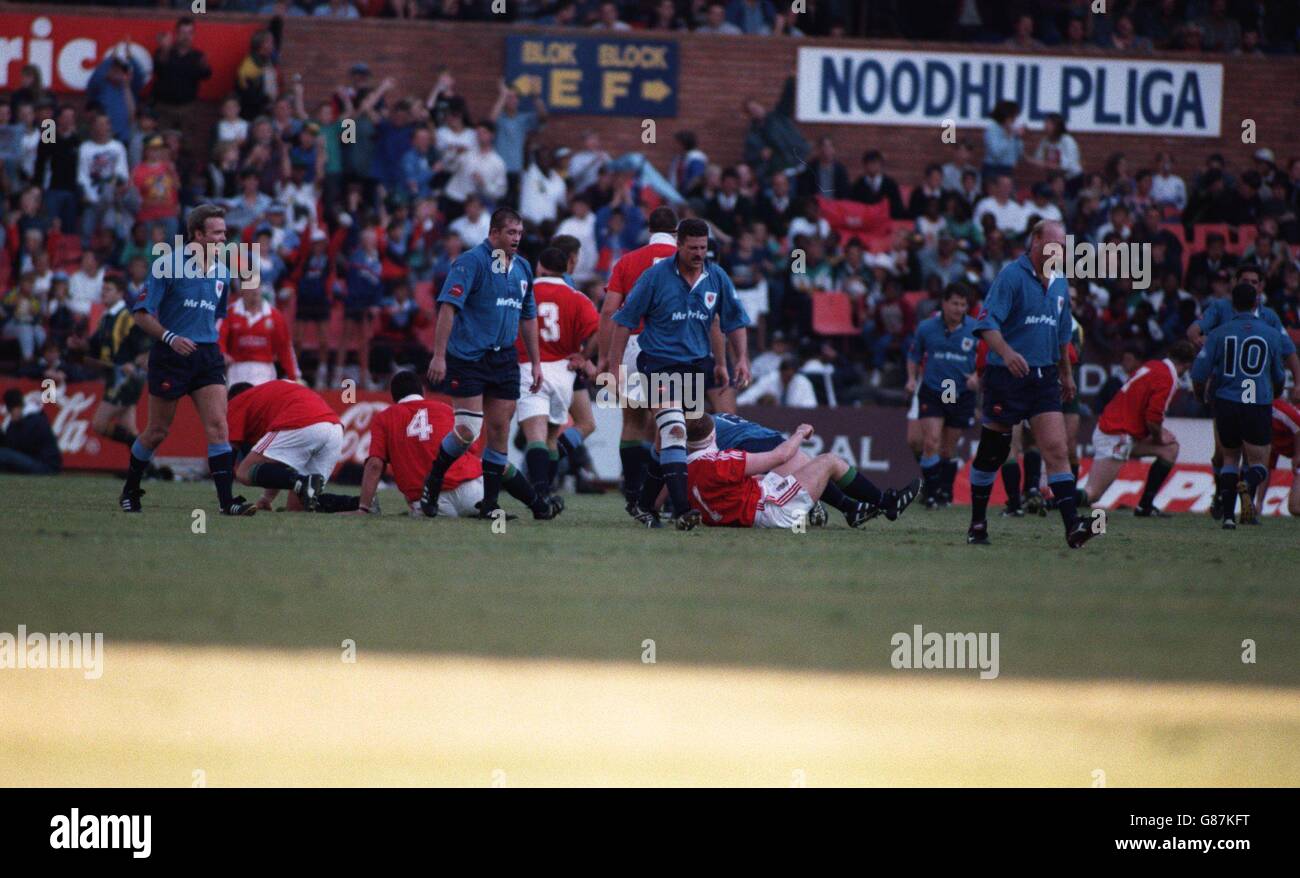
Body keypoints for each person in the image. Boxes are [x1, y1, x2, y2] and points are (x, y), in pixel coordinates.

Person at [606, 218, 752, 530]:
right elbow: (623, 320)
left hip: (695, 366)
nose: (699, 253)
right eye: (693, 248)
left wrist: (738, 360)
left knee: (670, 441)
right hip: (658, 362)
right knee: (674, 428)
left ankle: (645, 504)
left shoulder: (717, 278)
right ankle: (683, 509)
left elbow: (732, 321)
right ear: (679, 245)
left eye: (704, 247)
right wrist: (615, 366)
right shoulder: (655, 277)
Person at [421, 207, 562, 521]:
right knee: (469, 429)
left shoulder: (523, 268)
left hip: (504, 359)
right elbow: (448, 308)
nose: (516, 239)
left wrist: (536, 363)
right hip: (469, 357)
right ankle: (433, 479)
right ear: (494, 233)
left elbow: (528, 318)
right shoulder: (471, 262)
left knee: (499, 432)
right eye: (511, 233)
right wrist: (439, 355)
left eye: (519, 234)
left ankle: (490, 504)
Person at [966, 220, 1097, 549]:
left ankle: (1072, 527)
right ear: (1035, 241)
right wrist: (1007, 352)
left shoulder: (1061, 284)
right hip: (1005, 376)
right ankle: (978, 523)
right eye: (1053, 245)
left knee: (1056, 448)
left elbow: (1062, 335)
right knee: (993, 452)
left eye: (1062, 248)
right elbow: (986, 324)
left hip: (1044, 377)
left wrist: (1066, 374)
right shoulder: (1011, 276)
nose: (1058, 252)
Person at [119, 204, 256, 516]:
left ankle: (227, 503)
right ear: (198, 234)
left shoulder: (223, 270)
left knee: (219, 427)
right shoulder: (167, 264)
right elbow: (140, 314)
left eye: (225, 232)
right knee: (157, 430)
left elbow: (217, 315)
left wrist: (214, 343)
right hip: (170, 354)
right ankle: (130, 490)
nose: (224, 239)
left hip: (207, 356)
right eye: (217, 233)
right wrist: (170, 337)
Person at [683, 414, 919, 529]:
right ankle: (887, 503)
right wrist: (800, 433)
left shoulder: (688, 467)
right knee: (829, 461)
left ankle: (852, 509)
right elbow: (780, 455)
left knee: (802, 462)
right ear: (713, 435)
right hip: (769, 511)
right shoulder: (724, 460)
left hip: (744, 507)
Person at [595, 206, 678, 512]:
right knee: (670, 422)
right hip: (674, 345)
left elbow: (608, 311)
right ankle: (665, 498)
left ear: (648, 229)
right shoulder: (687, 260)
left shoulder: (628, 260)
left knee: (632, 421)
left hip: (631, 343)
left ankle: (632, 493)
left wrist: (605, 357)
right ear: (676, 233)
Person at [1191, 283, 1291, 529]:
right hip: (1257, 402)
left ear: (1232, 304)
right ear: (1256, 303)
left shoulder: (1219, 333)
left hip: (1227, 401)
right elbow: (1279, 376)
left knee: (1229, 459)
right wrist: (1273, 395)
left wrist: (1200, 395)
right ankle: (1247, 482)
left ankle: (1227, 517)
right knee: (1259, 462)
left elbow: (1199, 373)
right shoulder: (1271, 334)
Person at [359, 370, 524, 518]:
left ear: (393, 397)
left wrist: (364, 508)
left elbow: (374, 464)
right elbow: (470, 447)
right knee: (496, 464)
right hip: (471, 492)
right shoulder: (444, 409)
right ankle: (537, 502)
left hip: (428, 503)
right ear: (422, 390)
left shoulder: (384, 418)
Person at [516, 247, 599, 498]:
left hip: (530, 366)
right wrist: (584, 357)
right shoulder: (577, 297)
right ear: (565, 269)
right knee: (552, 437)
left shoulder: (524, 291)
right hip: (564, 371)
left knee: (535, 437)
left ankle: (540, 493)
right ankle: (546, 492)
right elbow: (598, 330)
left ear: (539, 266)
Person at [1084, 341, 1197, 515]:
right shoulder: (1167, 377)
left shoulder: (1154, 365)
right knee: (1093, 495)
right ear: (1188, 364)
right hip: (1117, 435)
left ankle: (1145, 506)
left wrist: (1158, 434)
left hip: (1118, 430)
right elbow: (1152, 419)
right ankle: (1052, 500)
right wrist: (1159, 436)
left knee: (1169, 449)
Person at [906, 283, 979, 508]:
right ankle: (931, 493)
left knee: (949, 447)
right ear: (945, 303)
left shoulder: (976, 329)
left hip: (960, 392)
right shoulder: (927, 327)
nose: (959, 309)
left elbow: (987, 359)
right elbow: (914, 355)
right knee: (931, 442)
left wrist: (978, 375)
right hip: (934, 389)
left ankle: (945, 493)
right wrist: (910, 378)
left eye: (963, 305)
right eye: (955, 303)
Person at [227, 379, 343, 511]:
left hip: (303, 421)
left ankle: (302, 482)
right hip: (335, 428)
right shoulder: (275, 392)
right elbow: (278, 465)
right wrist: (267, 498)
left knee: (244, 471)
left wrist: (225, 500)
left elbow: (227, 454)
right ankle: (359, 504)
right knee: (297, 508)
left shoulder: (237, 402)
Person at [68, 275, 151, 454]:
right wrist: (80, 345)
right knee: (130, 428)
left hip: (125, 378)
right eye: (102, 289)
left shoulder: (127, 317)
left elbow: (145, 345)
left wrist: (135, 364)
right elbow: (96, 347)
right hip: (115, 377)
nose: (103, 293)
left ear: (120, 293)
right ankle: (147, 468)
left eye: (108, 290)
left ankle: (144, 451)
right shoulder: (106, 318)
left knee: (99, 423)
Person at [219, 275, 299, 387]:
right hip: (237, 369)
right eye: (250, 286)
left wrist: (294, 376)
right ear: (242, 289)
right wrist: (222, 354)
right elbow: (218, 338)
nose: (255, 290)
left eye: (257, 286)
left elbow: (285, 347)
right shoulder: (229, 313)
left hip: (265, 370)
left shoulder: (274, 315)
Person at [0, 387, 61, 475]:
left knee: (3, 454)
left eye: (10, 410)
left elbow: (21, 446)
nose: (10, 414)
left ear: (17, 407)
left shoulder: (35, 420)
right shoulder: (21, 421)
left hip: (45, 466)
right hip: (36, 462)